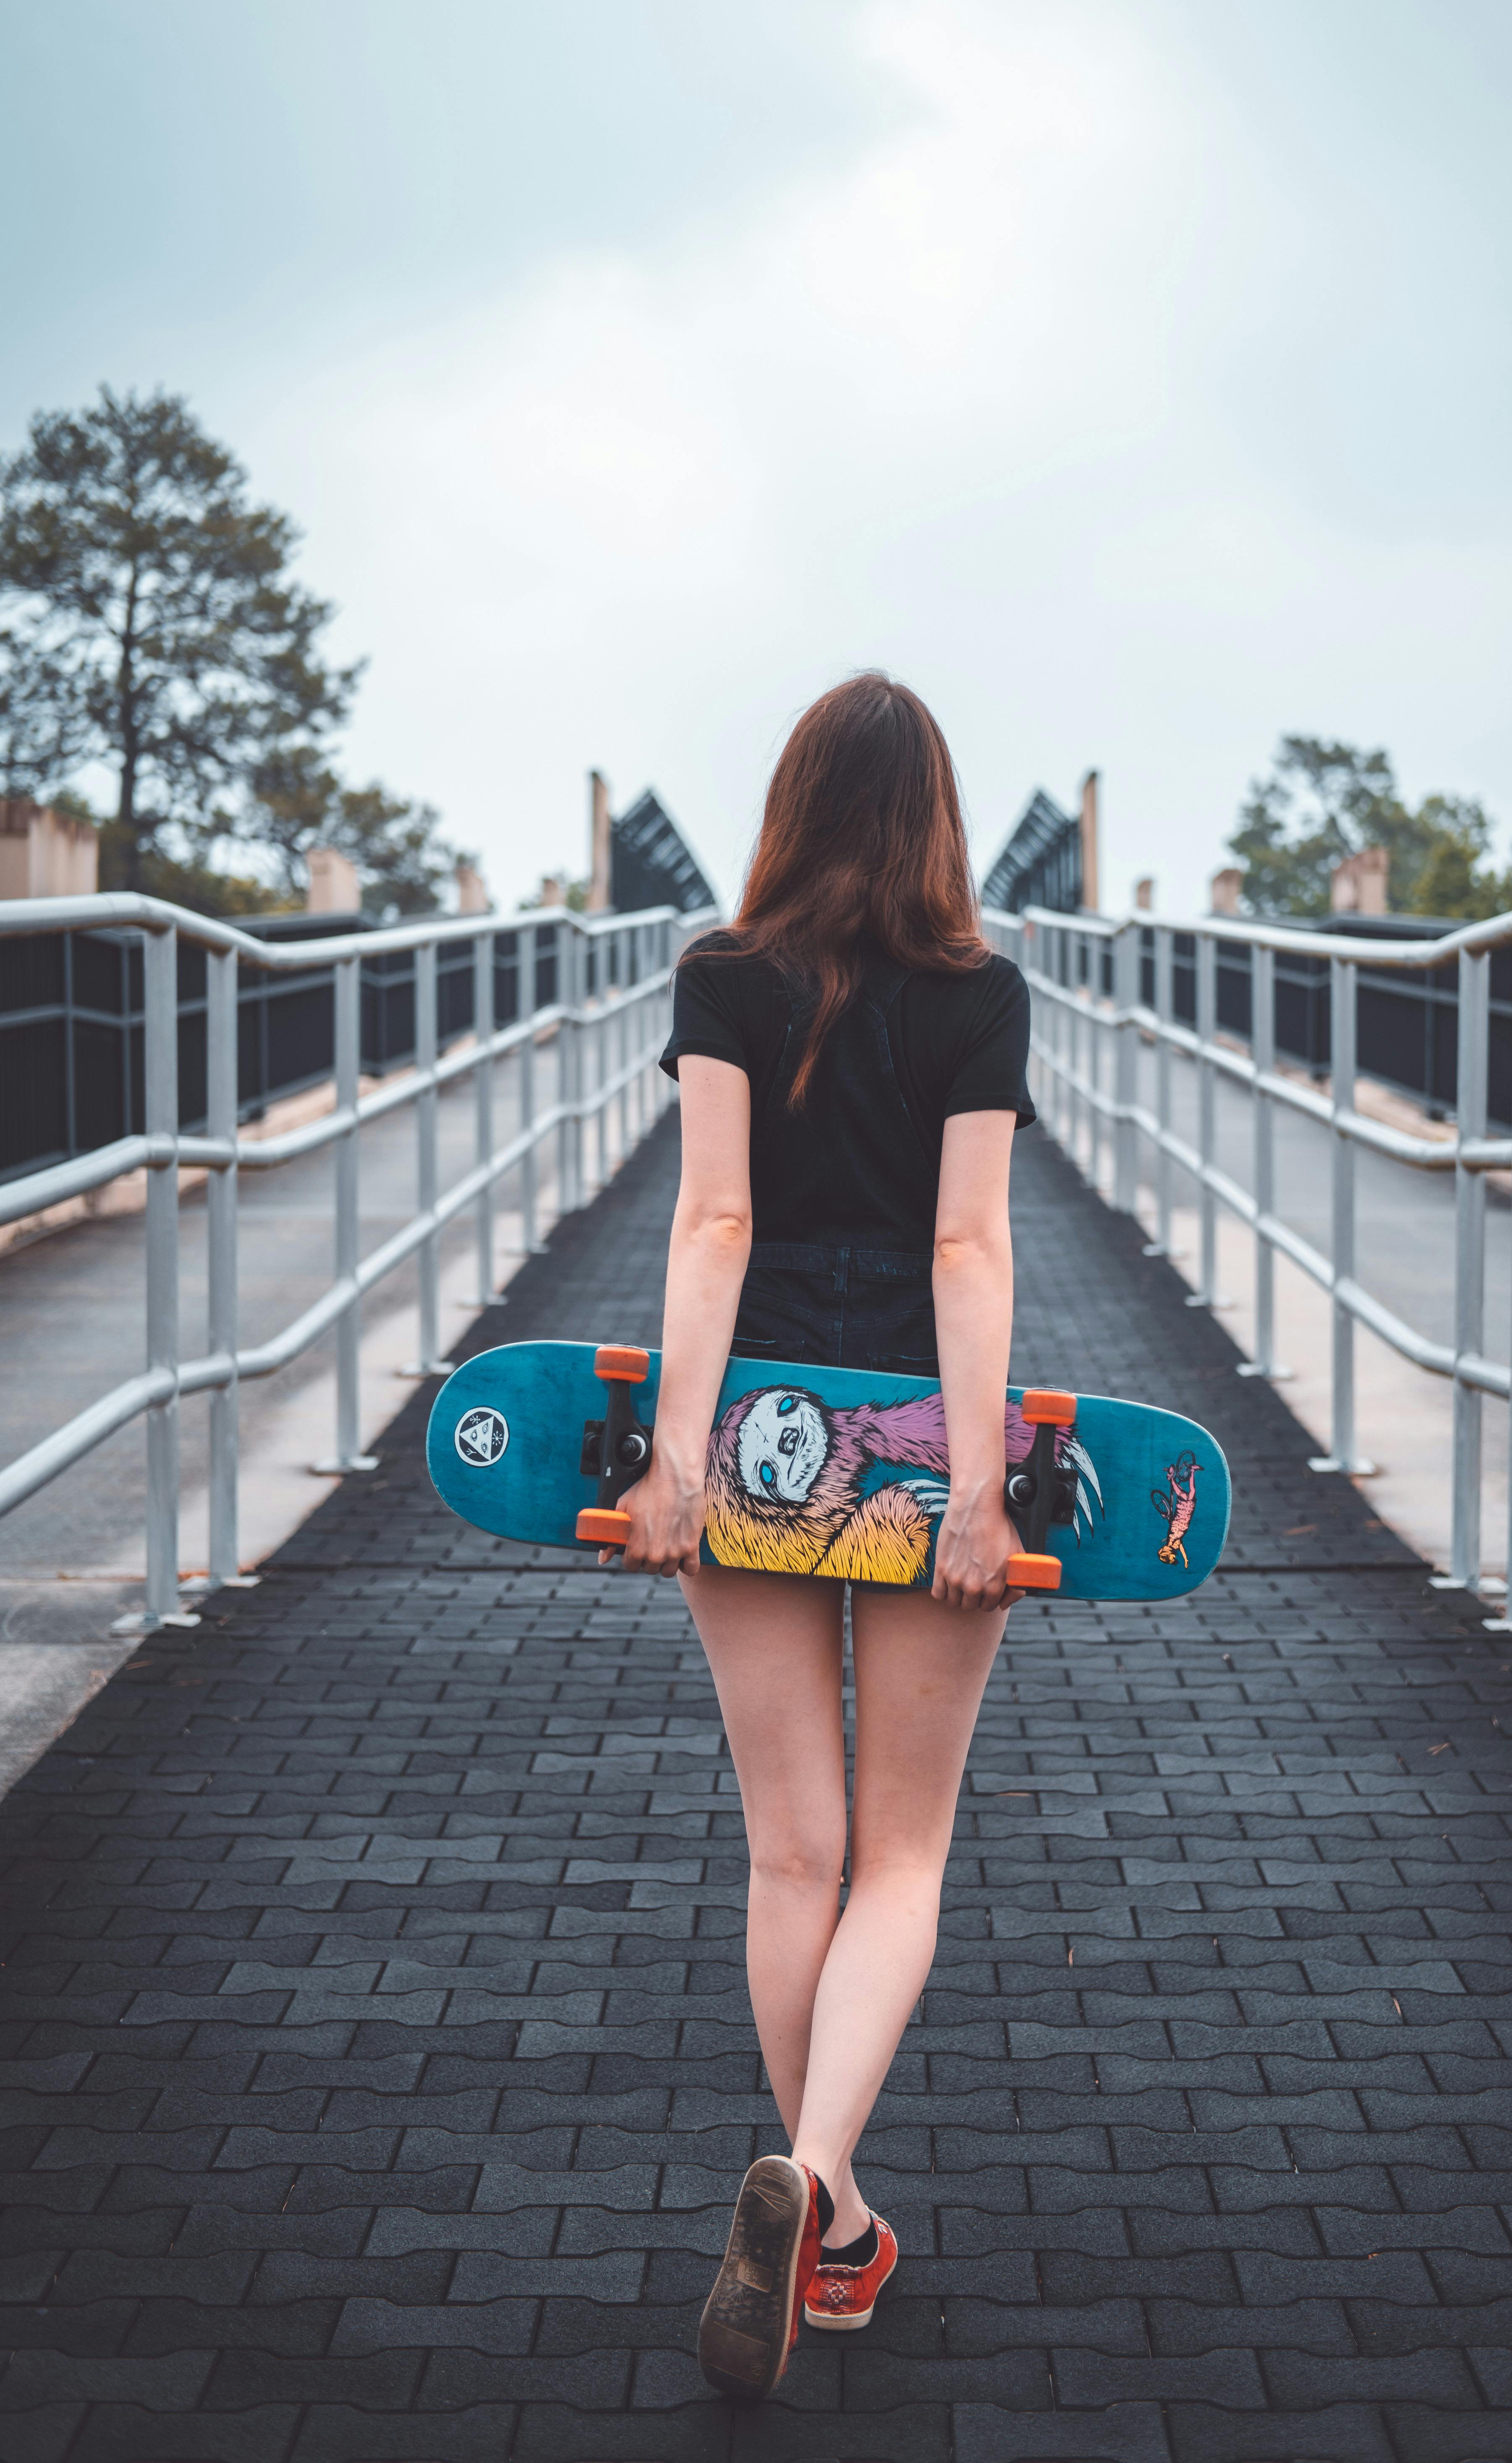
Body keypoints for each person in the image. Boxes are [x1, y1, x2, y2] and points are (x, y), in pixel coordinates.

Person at [614, 673, 1037, 2402]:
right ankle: (826, 2191)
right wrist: (979, 1485)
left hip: (757, 1438)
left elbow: (713, 1215)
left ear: (787, 805)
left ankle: (827, 2204)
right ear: (935, 817)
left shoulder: (721, 976)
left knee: (790, 1853)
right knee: (903, 1860)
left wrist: (674, 1455)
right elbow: (968, 1249)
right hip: (917, 1432)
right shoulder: (978, 994)